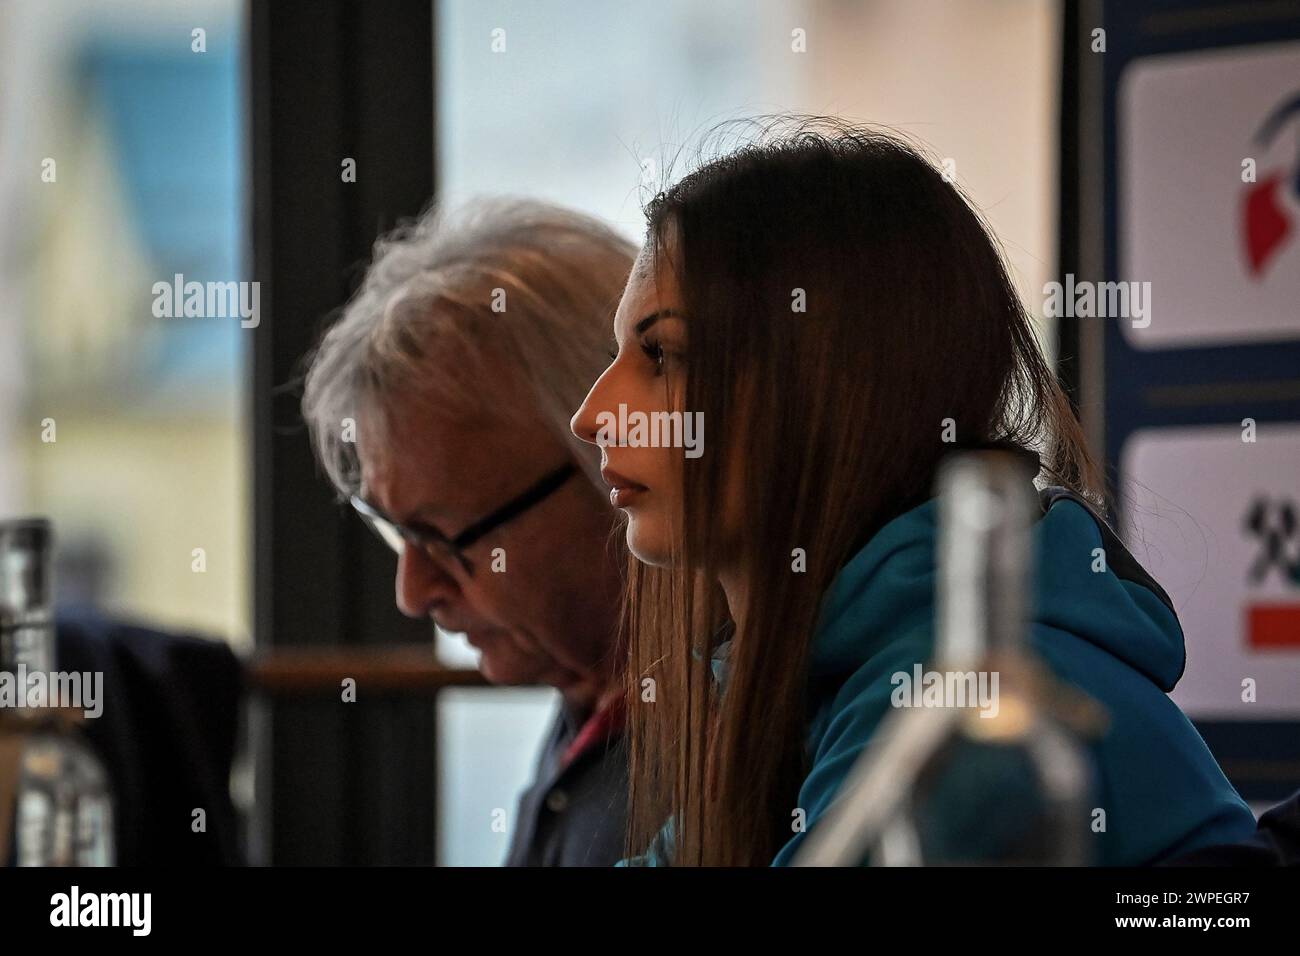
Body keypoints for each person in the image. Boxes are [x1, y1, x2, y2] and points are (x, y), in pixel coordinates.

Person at [570, 117, 1259, 866]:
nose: (592, 415)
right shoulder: (833, 667)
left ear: (827, 388)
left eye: (662, 355)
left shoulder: (955, 715)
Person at [303, 197, 635, 865]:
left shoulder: (744, 757)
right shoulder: (592, 700)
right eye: (396, 532)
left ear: (616, 472)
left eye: (447, 540)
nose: (412, 591)